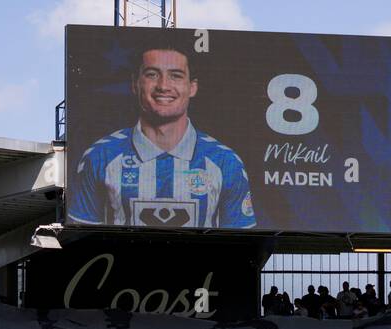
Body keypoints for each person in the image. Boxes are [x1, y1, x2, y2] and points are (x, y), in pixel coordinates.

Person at [71, 39, 255, 230]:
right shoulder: (100, 156)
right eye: (152, 74)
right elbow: (82, 240)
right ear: (135, 84)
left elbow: (241, 245)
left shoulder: (225, 161)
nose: (163, 86)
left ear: (192, 87)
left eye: (175, 76)